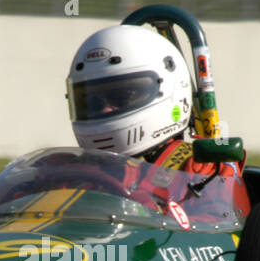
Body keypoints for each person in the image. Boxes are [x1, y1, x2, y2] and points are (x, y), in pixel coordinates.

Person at [65, 24, 249, 217]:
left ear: (169, 89)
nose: (105, 109)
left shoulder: (204, 167)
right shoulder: (68, 170)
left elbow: (220, 235)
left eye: (121, 97)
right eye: (91, 102)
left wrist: (148, 213)